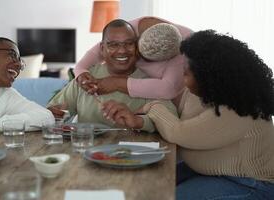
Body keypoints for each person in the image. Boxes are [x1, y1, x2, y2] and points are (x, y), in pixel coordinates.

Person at [101, 30, 274, 199]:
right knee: (146, 184)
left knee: (165, 195)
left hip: (248, 183)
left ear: (207, 77)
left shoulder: (239, 109)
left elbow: (178, 132)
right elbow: (173, 118)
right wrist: (138, 119)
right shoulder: (200, 93)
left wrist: (151, 106)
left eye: (186, 73)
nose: (181, 78)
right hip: (209, 172)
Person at [47, 19, 175, 131]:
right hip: (86, 151)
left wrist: (137, 121)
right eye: (113, 45)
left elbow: (171, 122)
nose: (122, 50)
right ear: (102, 49)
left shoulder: (150, 81)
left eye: (129, 44)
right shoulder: (86, 78)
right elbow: (51, 112)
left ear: (137, 47)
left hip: (132, 154)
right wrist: (53, 114)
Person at [74, 16, 193, 104]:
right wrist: (81, 74)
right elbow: (84, 63)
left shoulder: (181, 50)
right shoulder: (128, 30)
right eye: (134, 46)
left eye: (148, 60)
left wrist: (117, 83)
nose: (123, 51)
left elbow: (168, 89)